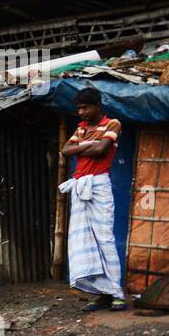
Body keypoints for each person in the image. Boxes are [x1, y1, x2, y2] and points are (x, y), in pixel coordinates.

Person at [59, 86, 126, 311]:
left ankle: (117, 293)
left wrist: (80, 147)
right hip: (81, 185)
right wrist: (89, 145)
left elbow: (102, 150)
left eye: (84, 107)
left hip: (98, 185)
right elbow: (65, 151)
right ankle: (101, 294)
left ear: (97, 106)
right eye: (78, 108)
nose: (81, 112)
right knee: (85, 240)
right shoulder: (81, 128)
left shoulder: (113, 124)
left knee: (104, 239)